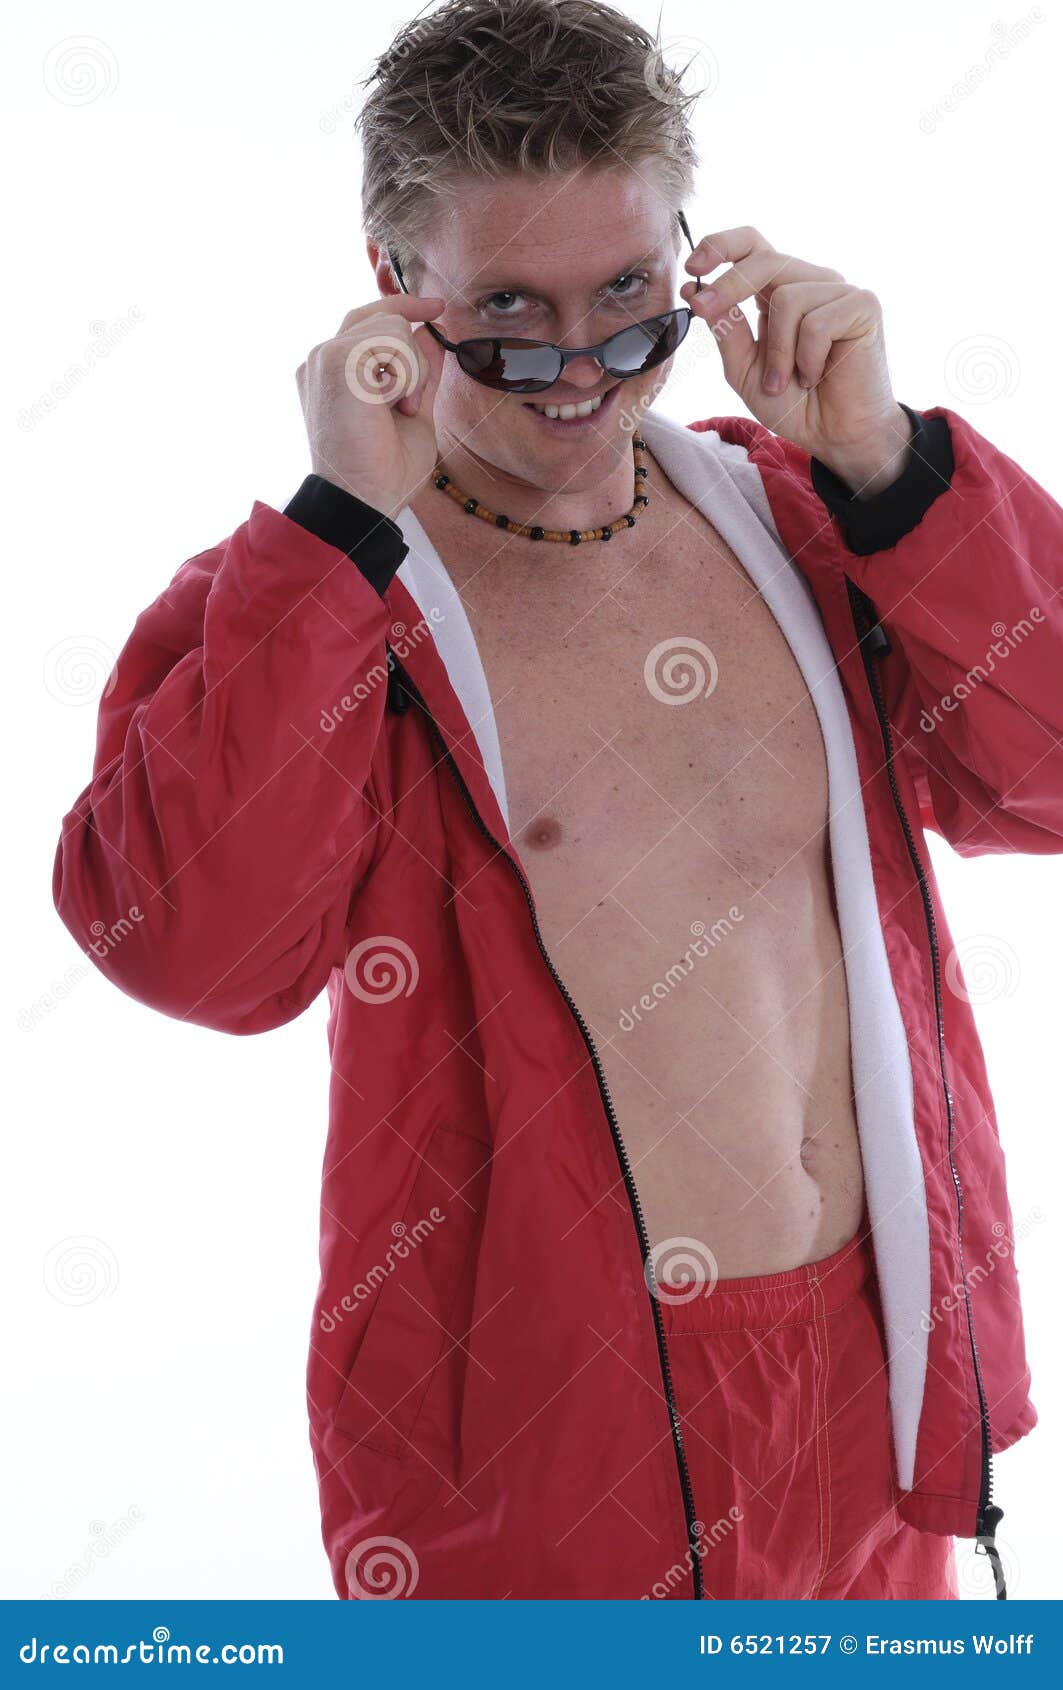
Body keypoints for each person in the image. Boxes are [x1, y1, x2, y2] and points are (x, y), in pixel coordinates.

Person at [53, 0, 1055, 1601]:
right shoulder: (323, 607)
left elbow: (1050, 770)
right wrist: (328, 532)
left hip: (871, 1416)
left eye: (629, 301)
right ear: (394, 291)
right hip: (551, 1467)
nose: (582, 370)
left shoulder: (802, 517)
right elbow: (191, 953)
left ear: (692, 259)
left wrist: (889, 461)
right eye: (511, 311)